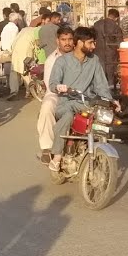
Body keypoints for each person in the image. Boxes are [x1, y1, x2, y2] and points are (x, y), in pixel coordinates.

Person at [47, 27, 116, 171]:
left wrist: (111, 100)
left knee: (103, 118)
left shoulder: (94, 60)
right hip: (66, 103)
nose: (93, 46)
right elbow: (52, 83)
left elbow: (101, 84)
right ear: (79, 43)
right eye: (90, 43)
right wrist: (60, 87)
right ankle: (57, 156)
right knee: (66, 115)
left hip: (86, 103)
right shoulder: (62, 61)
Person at [36, 26, 75, 164]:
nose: (67, 43)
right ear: (57, 41)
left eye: (70, 39)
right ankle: (47, 148)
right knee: (47, 107)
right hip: (56, 95)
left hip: (78, 95)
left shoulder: (80, 56)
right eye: (63, 39)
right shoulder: (51, 60)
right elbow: (50, 85)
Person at [9, 17, 42, 100]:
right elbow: (37, 44)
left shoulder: (24, 29)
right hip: (26, 52)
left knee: (14, 71)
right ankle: (29, 92)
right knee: (26, 72)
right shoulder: (37, 30)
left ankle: (13, 91)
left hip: (15, 51)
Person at [92, 8, 124, 89]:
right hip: (111, 52)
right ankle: (111, 89)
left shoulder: (96, 24)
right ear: (116, 18)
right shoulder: (116, 27)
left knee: (100, 70)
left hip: (97, 50)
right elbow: (119, 42)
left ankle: (100, 88)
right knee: (111, 72)